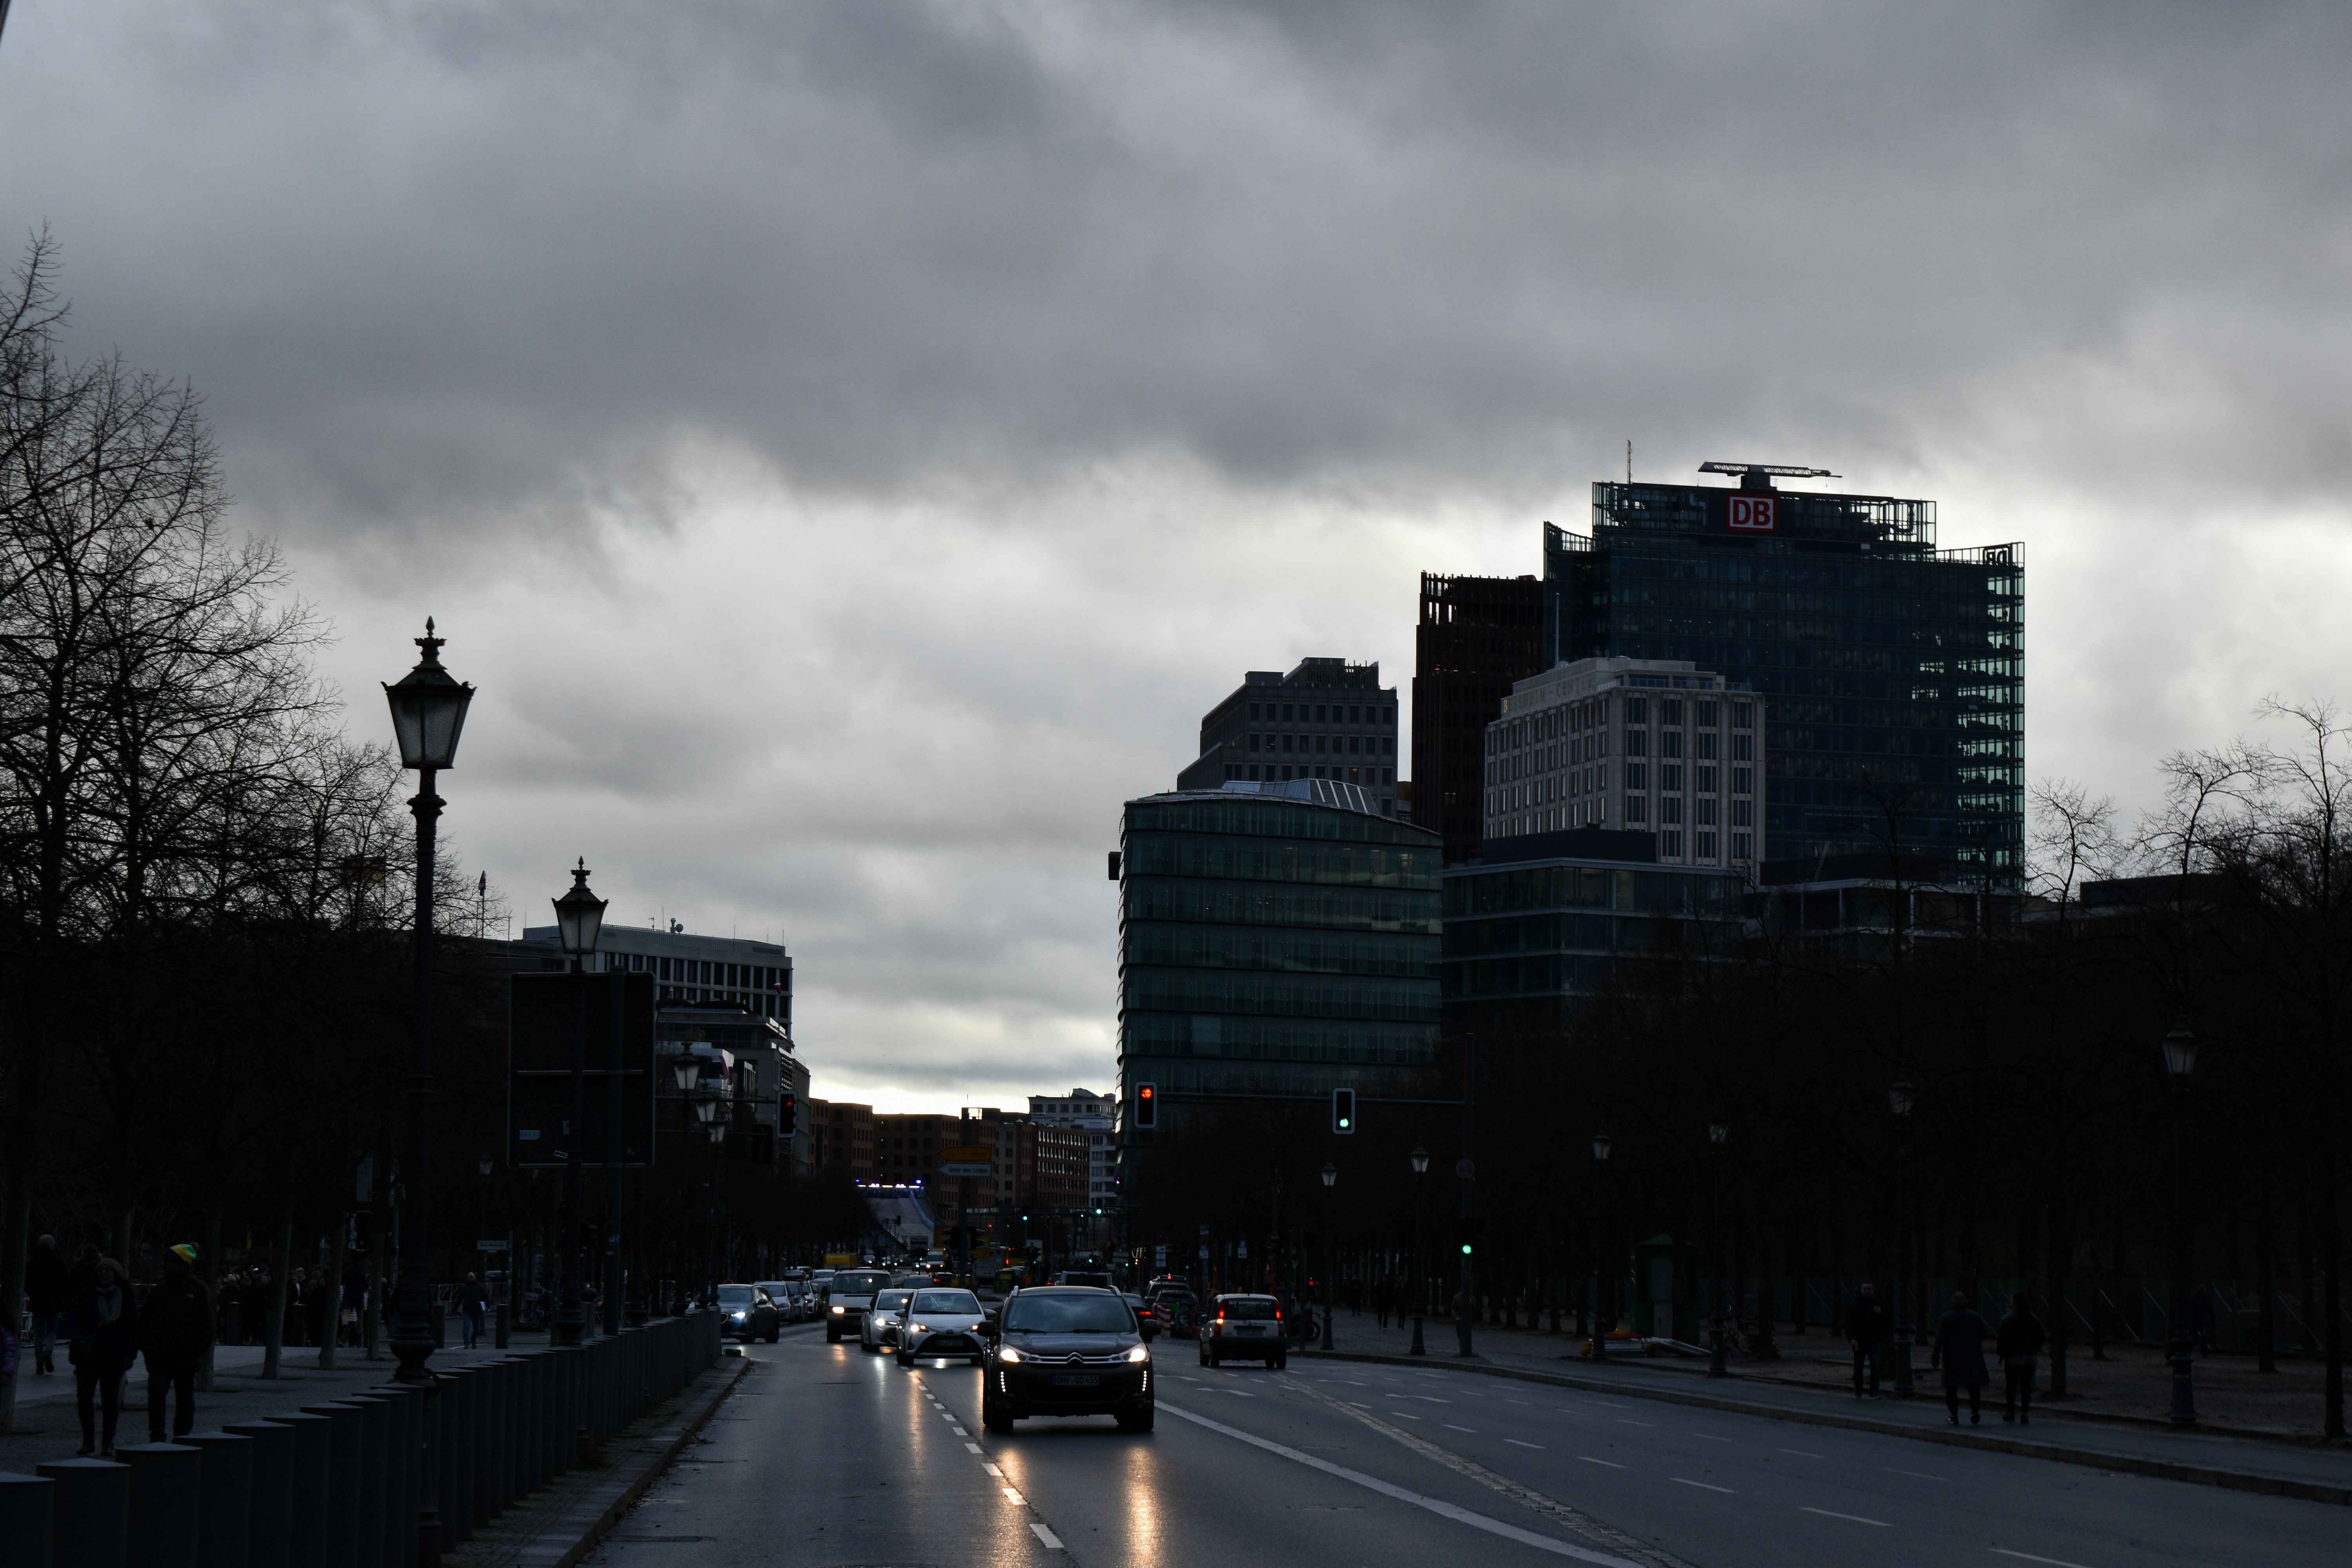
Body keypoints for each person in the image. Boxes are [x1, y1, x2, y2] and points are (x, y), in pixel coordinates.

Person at [143, 1243, 215, 1443]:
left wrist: (196, 1351)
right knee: (156, 1395)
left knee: (185, 1399)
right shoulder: (160, 1290)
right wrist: (149, 1349)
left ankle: (182, 1438)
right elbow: (146, 1321)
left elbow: (208, 1326)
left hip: (186, 1357)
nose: (165, 1266)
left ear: (182, 1264)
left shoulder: (199, 1290)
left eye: (169, 1262)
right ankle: (157, 1436)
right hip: (160, 1357)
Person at [69, 1256, 140, 1457]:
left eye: (109, 1271)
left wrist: (129, 1354)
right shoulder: (87, 1296)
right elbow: (73, 1320)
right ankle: (88, 1441)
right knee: (84, 1396)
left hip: (114, 1356)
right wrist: (79, 1339)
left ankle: (108, 1441)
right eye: (101, 1270)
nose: (104, 1274)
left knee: (110, 1400)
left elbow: (133, 1329)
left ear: (116, 1275)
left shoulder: (126, 1299)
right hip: (88, 1355)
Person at [1931, 1290, 1992, 1426]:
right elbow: (1984, 1334)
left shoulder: (1946, 1318)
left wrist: (1936, 1357)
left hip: (1953, 1357)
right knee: (1973, 1387)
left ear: (1953, 1302)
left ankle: (1954, 1415)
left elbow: (1939, 1339)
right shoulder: (1975, 1317)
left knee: (1951, 1388)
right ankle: (1975, 1411)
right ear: (1966, 1302)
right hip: (1972, 1355)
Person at [1996, 1292, 2047, 1425]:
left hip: (2013, 1356)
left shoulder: (2008, 1320)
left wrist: (2003, 1352)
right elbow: (2041, 1337)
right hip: (2030, 1356)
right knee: (2026, 1386)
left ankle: (2010, 1412)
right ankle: (2024, 1413)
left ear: (2014, 1303)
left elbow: (2002, 1339)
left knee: (2011, 1385)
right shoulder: (2034, 1319)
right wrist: (2035, 1349)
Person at [25, 1234, 71, 1376]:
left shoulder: (33, 1263)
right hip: (54, 1300)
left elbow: (27, 1283)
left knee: (39, 1332)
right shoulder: (59, 1263)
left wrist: (34, 1294)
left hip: (38, 1301)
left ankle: (39, 1362)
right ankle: (49, 1352)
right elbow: (65, 1283)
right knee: (52, 1331)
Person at [1844, 1282, 1887, 1398]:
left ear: (1873, 1291)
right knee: (1858, 1368)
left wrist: (1881, 1314)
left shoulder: (1878, 1305)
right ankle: (1859, 1390)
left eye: (1870, 1289)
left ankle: (1873, 1392)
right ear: (1862, 1290)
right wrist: (1852, 1339)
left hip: (1874, 1340)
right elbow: (1849, 1324)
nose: (1868, 1291)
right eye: (1866, 1289)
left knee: (1876, 1366)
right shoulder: (1855, 1305)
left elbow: (1887, 1323)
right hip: (1860, 1341)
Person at [461, 1273, 488, 1349]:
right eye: (469, 1277)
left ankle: (473, 1341)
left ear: (475, 1278)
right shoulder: (465, 1287)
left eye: (472, 1277)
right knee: (466, 1327)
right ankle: (467, 1343)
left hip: (477, 1310)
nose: (470, 1278)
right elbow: (460, 1298)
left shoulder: (480, 1286)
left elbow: (486, 1296)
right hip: (467, 1310)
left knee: (477, 1329)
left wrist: (488, 1305)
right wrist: (455, 1309)